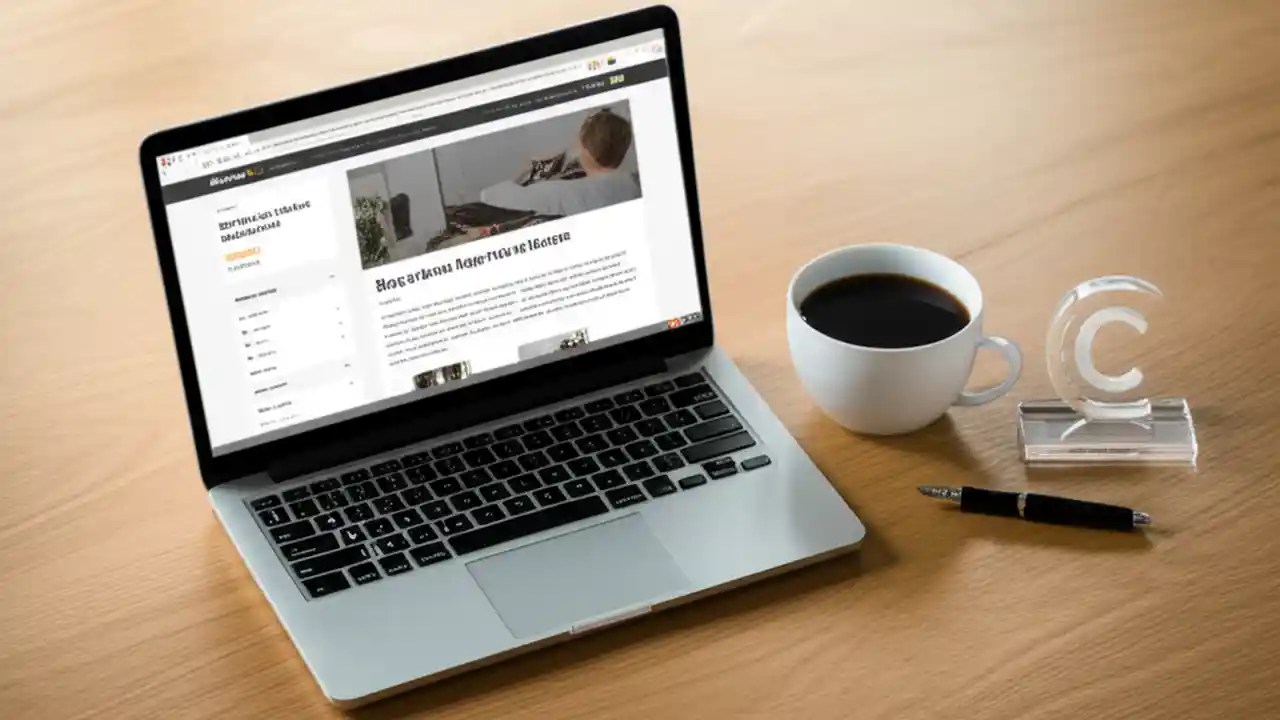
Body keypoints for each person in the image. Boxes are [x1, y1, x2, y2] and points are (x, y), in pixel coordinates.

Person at [480, 108, 640, 216]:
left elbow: (488, 197)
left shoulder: (560, 194)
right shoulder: (640, 184)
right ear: (624, 147)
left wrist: (527, 172)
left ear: (583, 148)